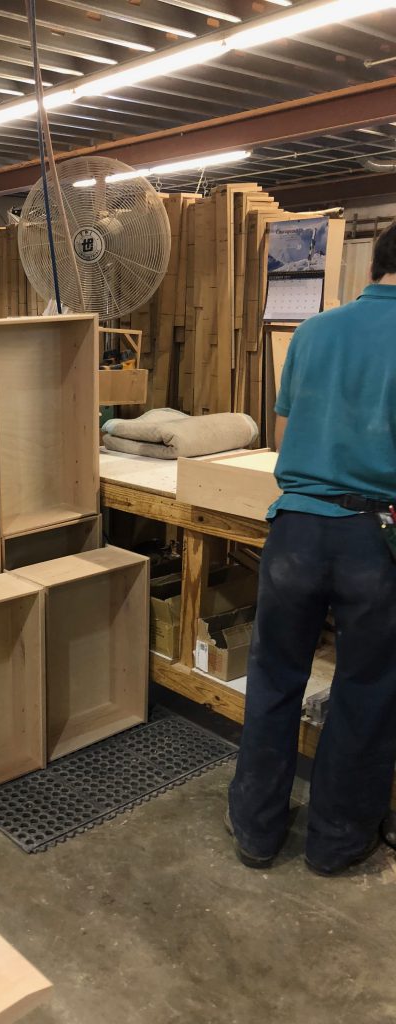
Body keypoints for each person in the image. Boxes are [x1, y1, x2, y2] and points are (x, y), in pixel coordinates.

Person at [227, 220, 396, 876]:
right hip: (372, 538)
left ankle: (257, 829)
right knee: (366, 686)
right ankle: (335, 841)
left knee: (273, 678)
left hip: (294, 528)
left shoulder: (314, 330)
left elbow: (286, 426)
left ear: (374, 264)